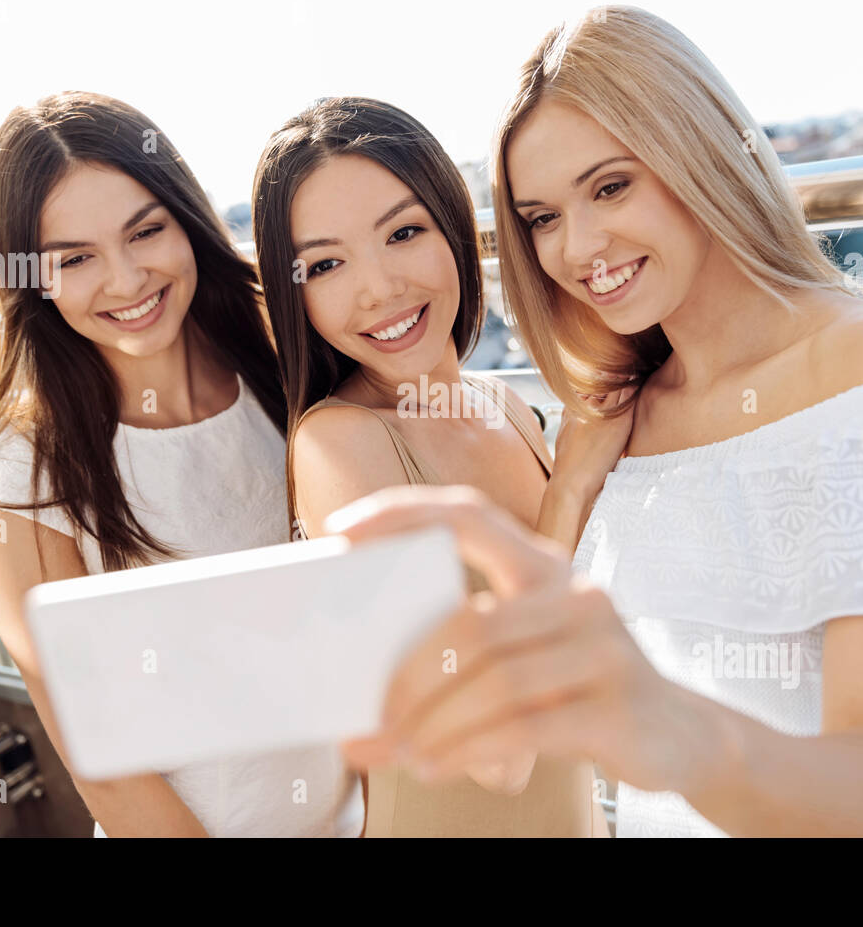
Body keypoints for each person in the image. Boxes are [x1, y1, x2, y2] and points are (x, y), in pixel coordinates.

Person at [339, 6, 863, 837]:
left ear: (701, 151)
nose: (579, 247)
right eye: (543, 218)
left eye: (611, 185)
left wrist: (665, 728)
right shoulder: (620, 418)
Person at [0, 91, 362, 837]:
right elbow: (103, 761)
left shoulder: (285, 364)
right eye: (74, 258)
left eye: (146, 231)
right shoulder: (19, 479)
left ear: (187, 221)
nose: (126, 279)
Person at [252, 97, 614, 835]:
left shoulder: (507, 407)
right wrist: (572, 485)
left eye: (405, 232)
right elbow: (499, 756)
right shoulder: (337, 448)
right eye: (325, 263)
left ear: (455, 228)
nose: (378, 288)